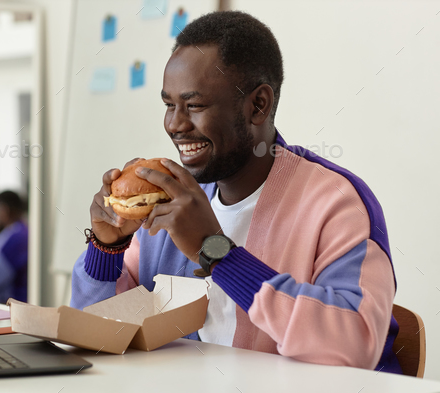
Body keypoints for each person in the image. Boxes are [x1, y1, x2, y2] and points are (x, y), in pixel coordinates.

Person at [71, 11, 401, 374]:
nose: (174, 124)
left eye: (194, 105)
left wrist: (215, 251)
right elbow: (99, 333)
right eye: (169, 104)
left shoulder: (335, 203)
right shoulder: (170, 197)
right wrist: (107, 248)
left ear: (258, 105)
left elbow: (354, 347)